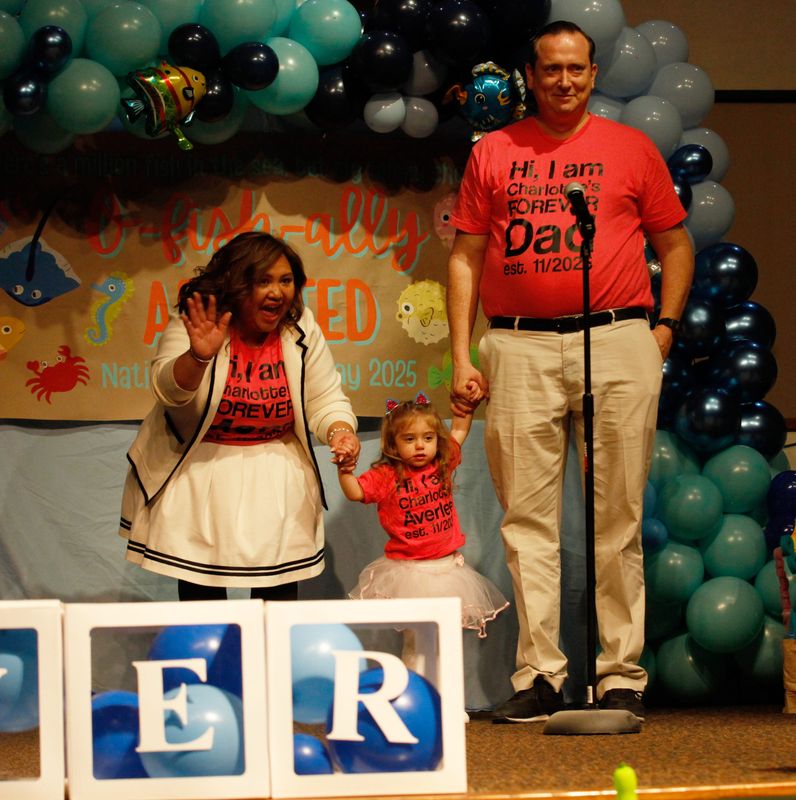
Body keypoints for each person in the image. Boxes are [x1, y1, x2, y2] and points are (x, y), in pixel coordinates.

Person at [446, 20, 694, 722]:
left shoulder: (631, 148)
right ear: (531, 74)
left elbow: (674, 245)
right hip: (519, 346)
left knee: (617, 515)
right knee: (527, 523)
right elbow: (464, 257)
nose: (564, 81)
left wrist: (663, 330)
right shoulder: (494, 152)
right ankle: (542, 675)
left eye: (577, 70)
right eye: (551, 69)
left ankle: (621, 675)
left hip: (617, 339)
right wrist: (463, 354)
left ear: (592, 74)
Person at [118, 231, 360, 602]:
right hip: (201, 472)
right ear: (237, 283)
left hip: (275, 473)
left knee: (277, 605)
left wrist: (340, 431)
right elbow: (168, 391)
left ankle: (272, 662)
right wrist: (198, 357)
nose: (277, 292)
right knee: (204, 610)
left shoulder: (301, 327)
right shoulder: (202, 318)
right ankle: (210, 662)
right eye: (263, 281)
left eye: (285, 280)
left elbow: (325, 398)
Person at [334, 394, 508, 653]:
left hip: (448, 569)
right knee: (416, 642)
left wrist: (466, 408)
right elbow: (356, 492)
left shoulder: (442, 463)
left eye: (428, 438)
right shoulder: (387, 475)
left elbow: (459, 428)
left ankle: (442, 690)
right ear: (393, 444)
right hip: (410, 572)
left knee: (446, 642)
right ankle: (414, 685)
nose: (420, 446)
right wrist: (345, 471)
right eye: (409, 439)